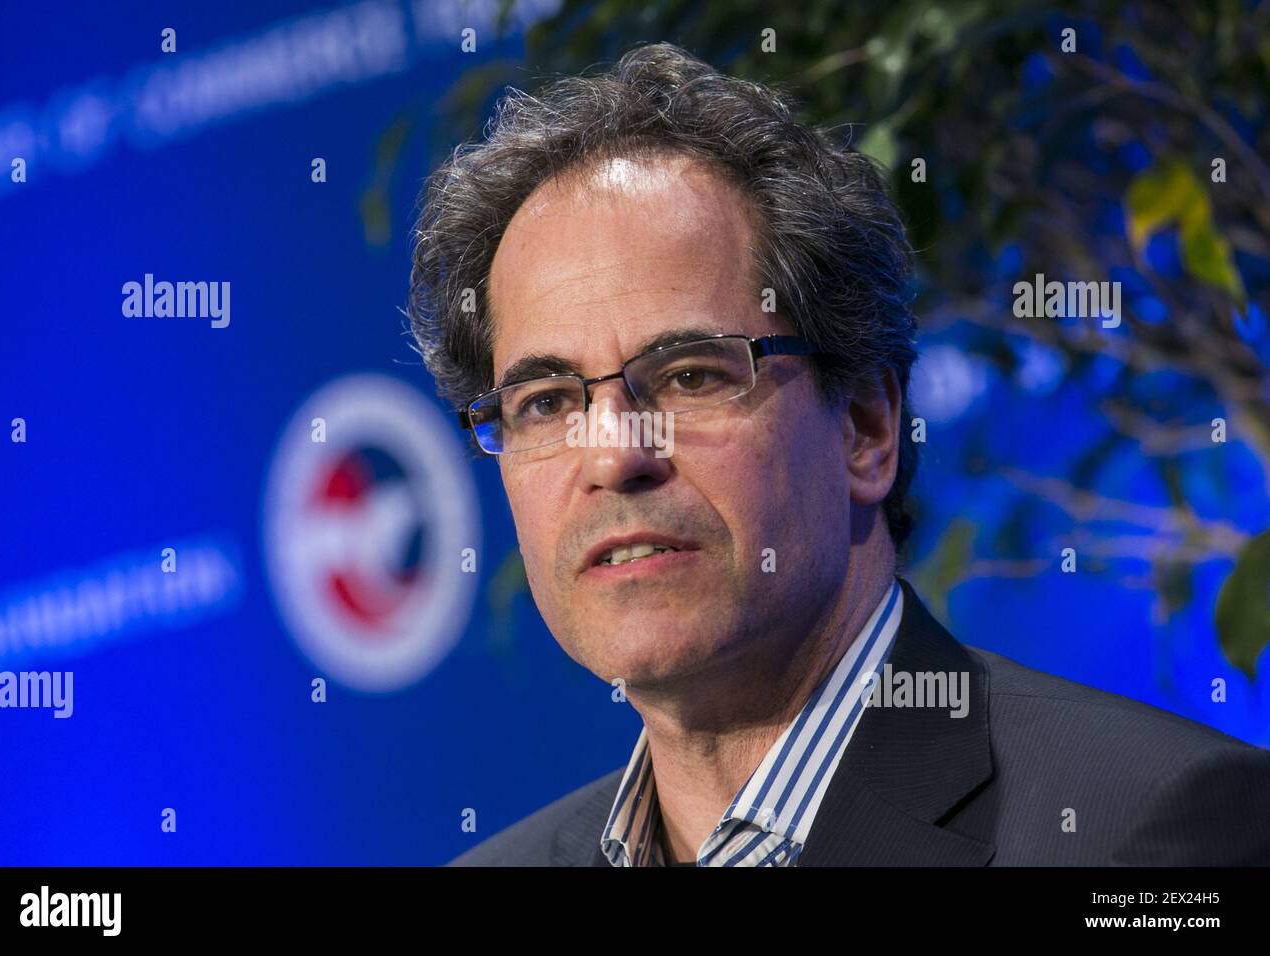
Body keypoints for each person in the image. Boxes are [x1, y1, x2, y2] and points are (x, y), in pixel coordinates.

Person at [406, 42, 1270, 866]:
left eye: (691, 377)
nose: (614, 454)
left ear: (865, 428)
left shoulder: (1149, 832)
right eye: (547, 402)